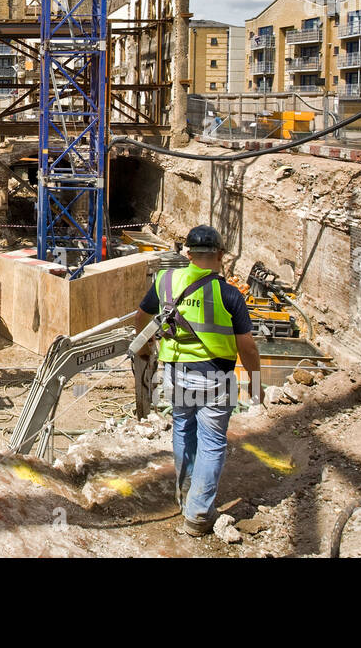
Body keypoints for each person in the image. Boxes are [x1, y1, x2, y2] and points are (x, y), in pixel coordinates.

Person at [131, 224, 262, 537]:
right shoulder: (228, 294)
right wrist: (255, 385)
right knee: (213, 441)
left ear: (187, 253)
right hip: (215, 378)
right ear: (219, 255)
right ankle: (199, 513)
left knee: (183, 428)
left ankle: (185, 495)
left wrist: (147, 349)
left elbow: (141, 317)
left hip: (175, 374)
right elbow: (247, 346)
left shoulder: (165, 281)